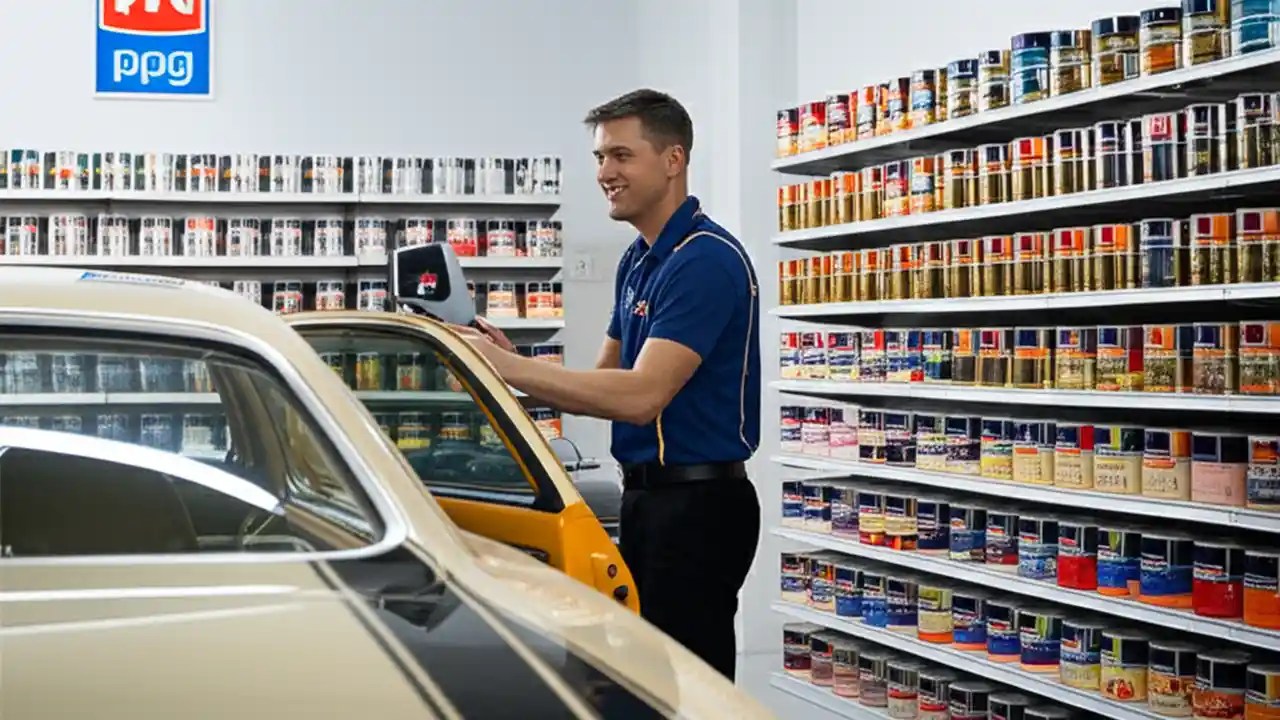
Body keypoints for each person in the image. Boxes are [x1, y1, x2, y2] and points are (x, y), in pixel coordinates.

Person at [458, 88, 762, 681]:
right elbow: (604, 382)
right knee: (646, 680)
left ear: (672, 160)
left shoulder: (704, 260)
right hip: (649, 500)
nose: (604, 173)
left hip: (699, 507)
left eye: (620, 156)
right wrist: (508, 364)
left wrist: (513, 371)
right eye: (600, 158)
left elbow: (643, 395)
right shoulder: (639, 260)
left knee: (688, 687)